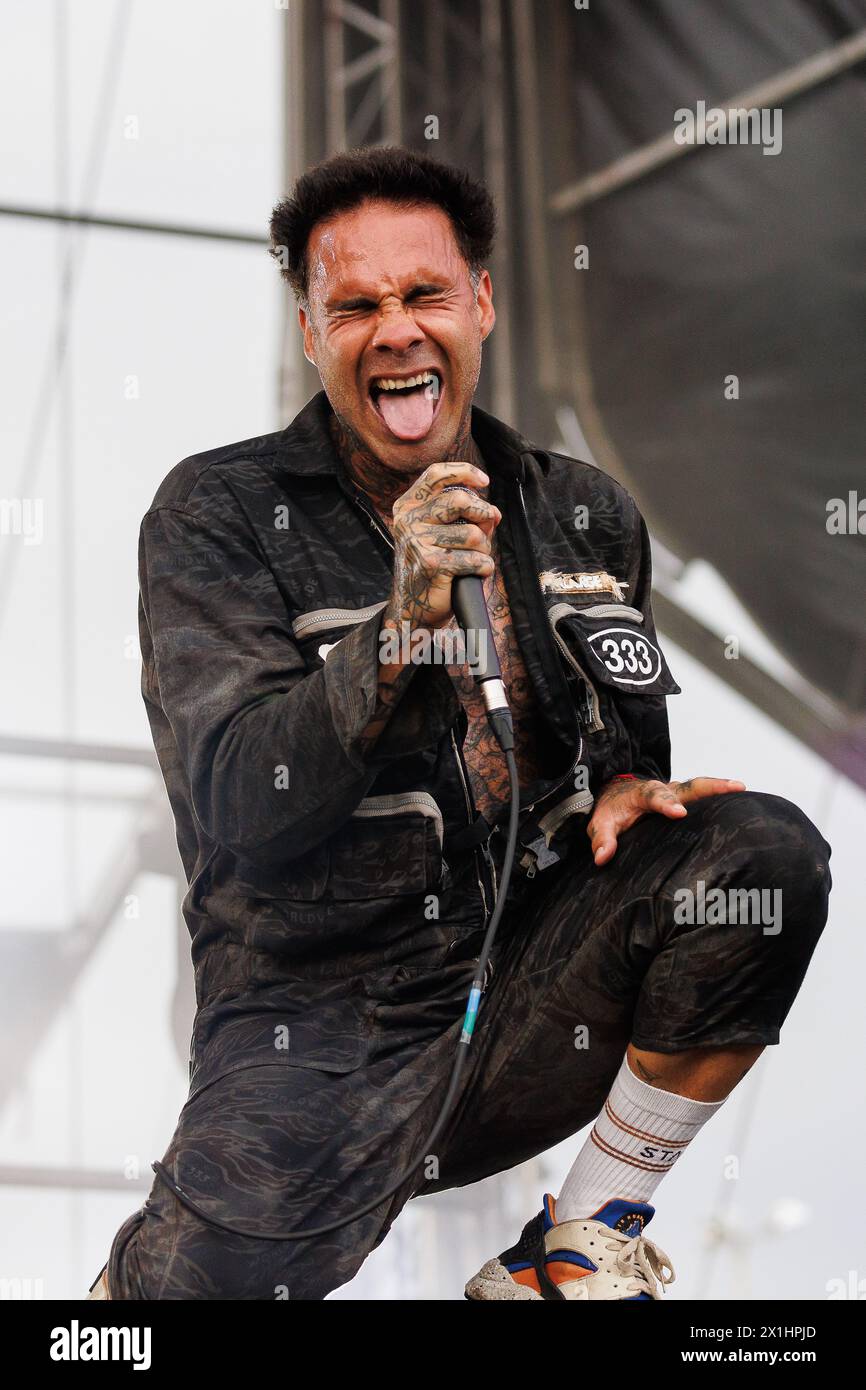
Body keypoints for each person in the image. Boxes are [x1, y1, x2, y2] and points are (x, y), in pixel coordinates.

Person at [88, 146, 831, 1302]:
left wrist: (627, 795)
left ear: (479, 303)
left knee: (760, 855)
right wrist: (397, 624)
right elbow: (240, 806)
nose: (394, 330)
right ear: (310, 334)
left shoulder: (584, 514)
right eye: (355, 306)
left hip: (527, 995)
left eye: (424, 294)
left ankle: (573, 1244)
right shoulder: (217, 512)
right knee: (175, 1303)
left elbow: (624, 770)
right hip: (316, 1030)